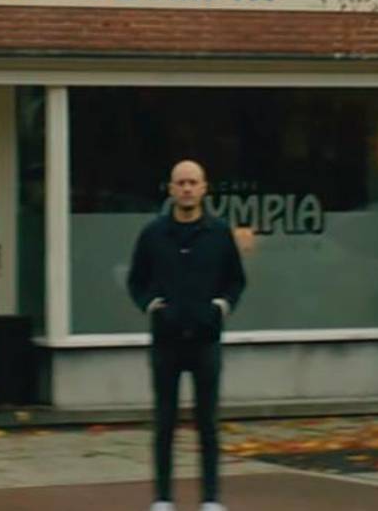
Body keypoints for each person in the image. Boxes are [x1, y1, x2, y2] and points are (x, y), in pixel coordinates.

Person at [128, 160, 246, 511]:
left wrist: (221, 307)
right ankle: (163, 498)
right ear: (171, 189)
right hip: (166, 341)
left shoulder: (219, 232)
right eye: (180, 183)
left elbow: (236, 280)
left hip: (206, 339)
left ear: (204, 188)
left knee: (208, 421)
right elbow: (137, 280)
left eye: (193, 182)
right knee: (164, 421)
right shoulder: (153, 233)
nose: (187, 189)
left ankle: (211, 498)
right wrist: (151, 305)